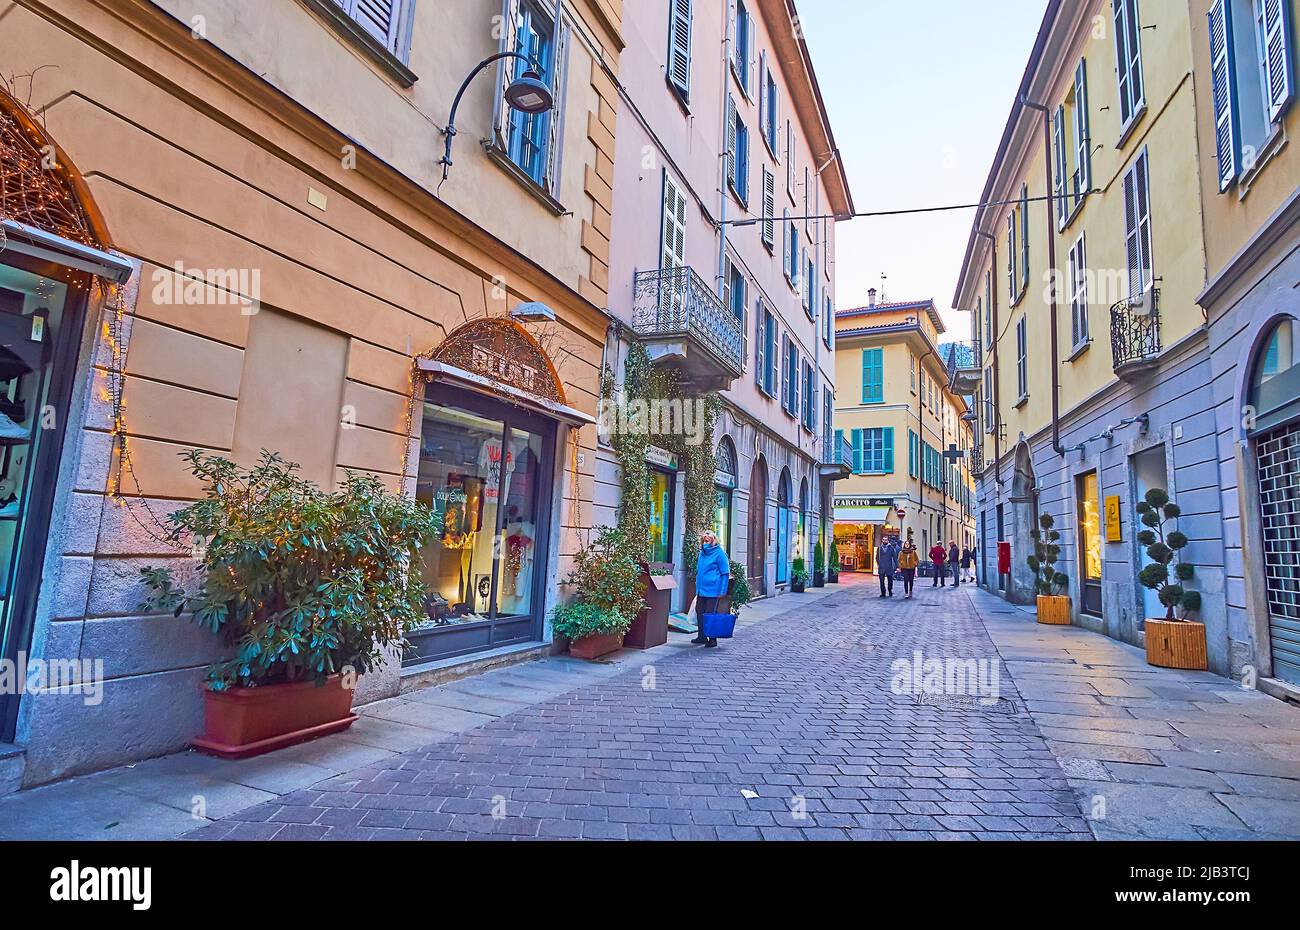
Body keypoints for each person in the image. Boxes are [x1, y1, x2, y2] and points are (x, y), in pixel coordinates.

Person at [692, 530, 730, 648]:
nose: (705, 537)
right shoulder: (702, 553)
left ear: (714, 538)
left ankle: (713, 639)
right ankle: (702, 636)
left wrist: (722, 591)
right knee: (699, 611)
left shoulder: (719, 553)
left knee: (710, 614)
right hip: (701, 589)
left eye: (708, 535)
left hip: (714, 590)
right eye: (704, 536)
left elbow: (725, 573)